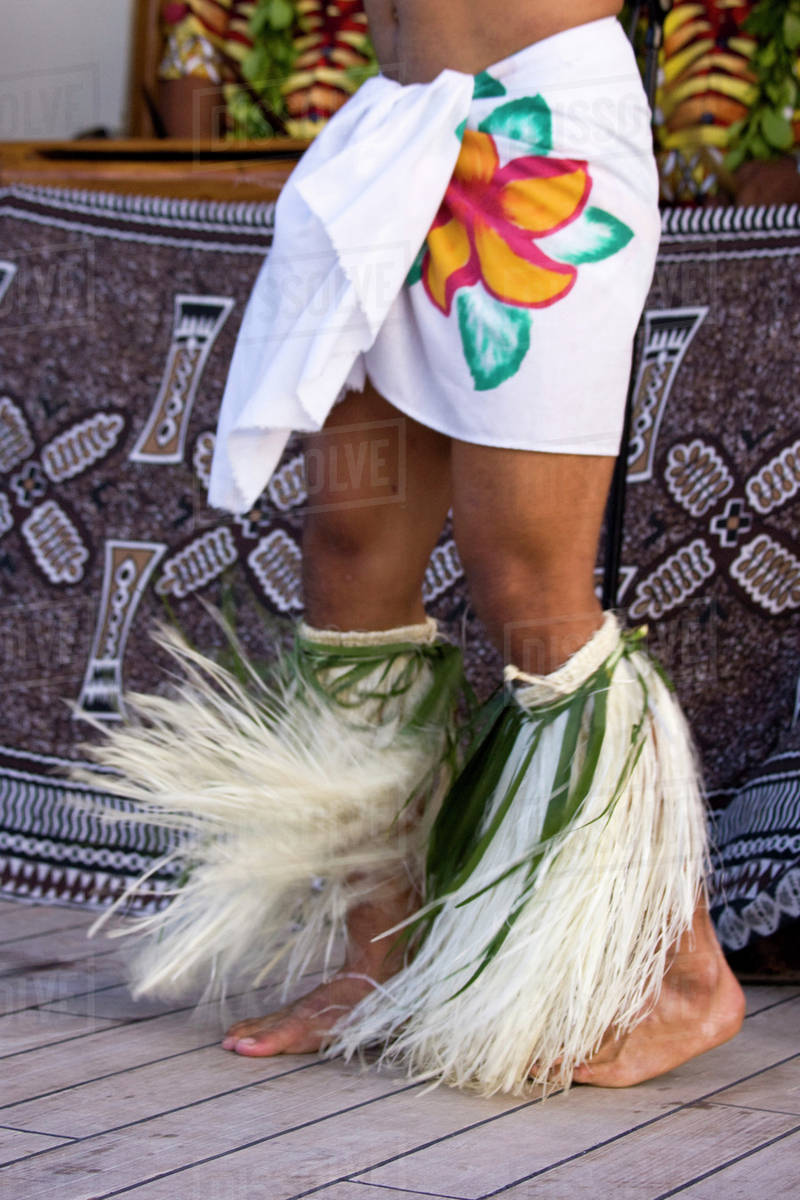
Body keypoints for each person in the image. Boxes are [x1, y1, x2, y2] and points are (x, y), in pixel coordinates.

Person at [88, 0, 745, 1095]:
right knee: (350, 551)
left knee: (525, 583)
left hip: (542, 143)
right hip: (394, 132)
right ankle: (376, 960)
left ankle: (685, 973)